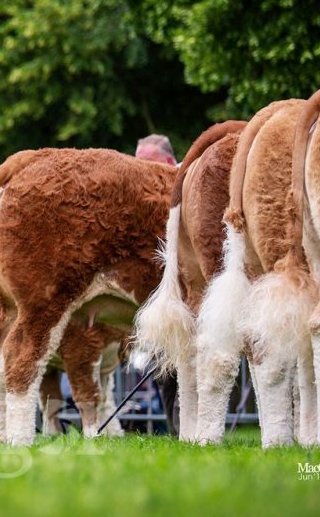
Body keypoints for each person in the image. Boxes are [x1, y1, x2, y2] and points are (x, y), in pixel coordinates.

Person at [135, 133, 181, 435]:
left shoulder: (186, 182)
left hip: (188, 284)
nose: (142, 172)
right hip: (158, 291)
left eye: (148, 164)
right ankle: (178, 431)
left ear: (168, 162)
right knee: (164, 368)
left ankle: (196, 429)